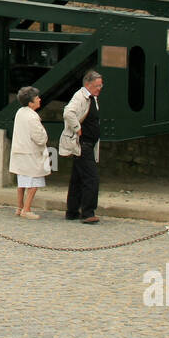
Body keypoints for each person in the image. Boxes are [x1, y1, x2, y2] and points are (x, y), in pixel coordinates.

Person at [61, 70, 103, 223]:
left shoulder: (92, 98)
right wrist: (77, 128)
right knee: (91, 178)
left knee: (77, 179)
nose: (99, 88)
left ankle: (72, 211)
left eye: (100, 85)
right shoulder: (80, 96)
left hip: (87, 144)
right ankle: (87, 212)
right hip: (82, 144)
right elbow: (68, 113)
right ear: (88, 84)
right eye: (97, 85)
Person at [9, 86, 51, 219]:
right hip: (30, 154)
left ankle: (20, 207)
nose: (39, 99)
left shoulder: (20, 112)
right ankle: (26, 209)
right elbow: (40, 137)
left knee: (22, 182)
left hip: (20, 151)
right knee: (34, 182)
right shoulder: (32, 117)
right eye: (37, 98)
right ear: (31, 102)